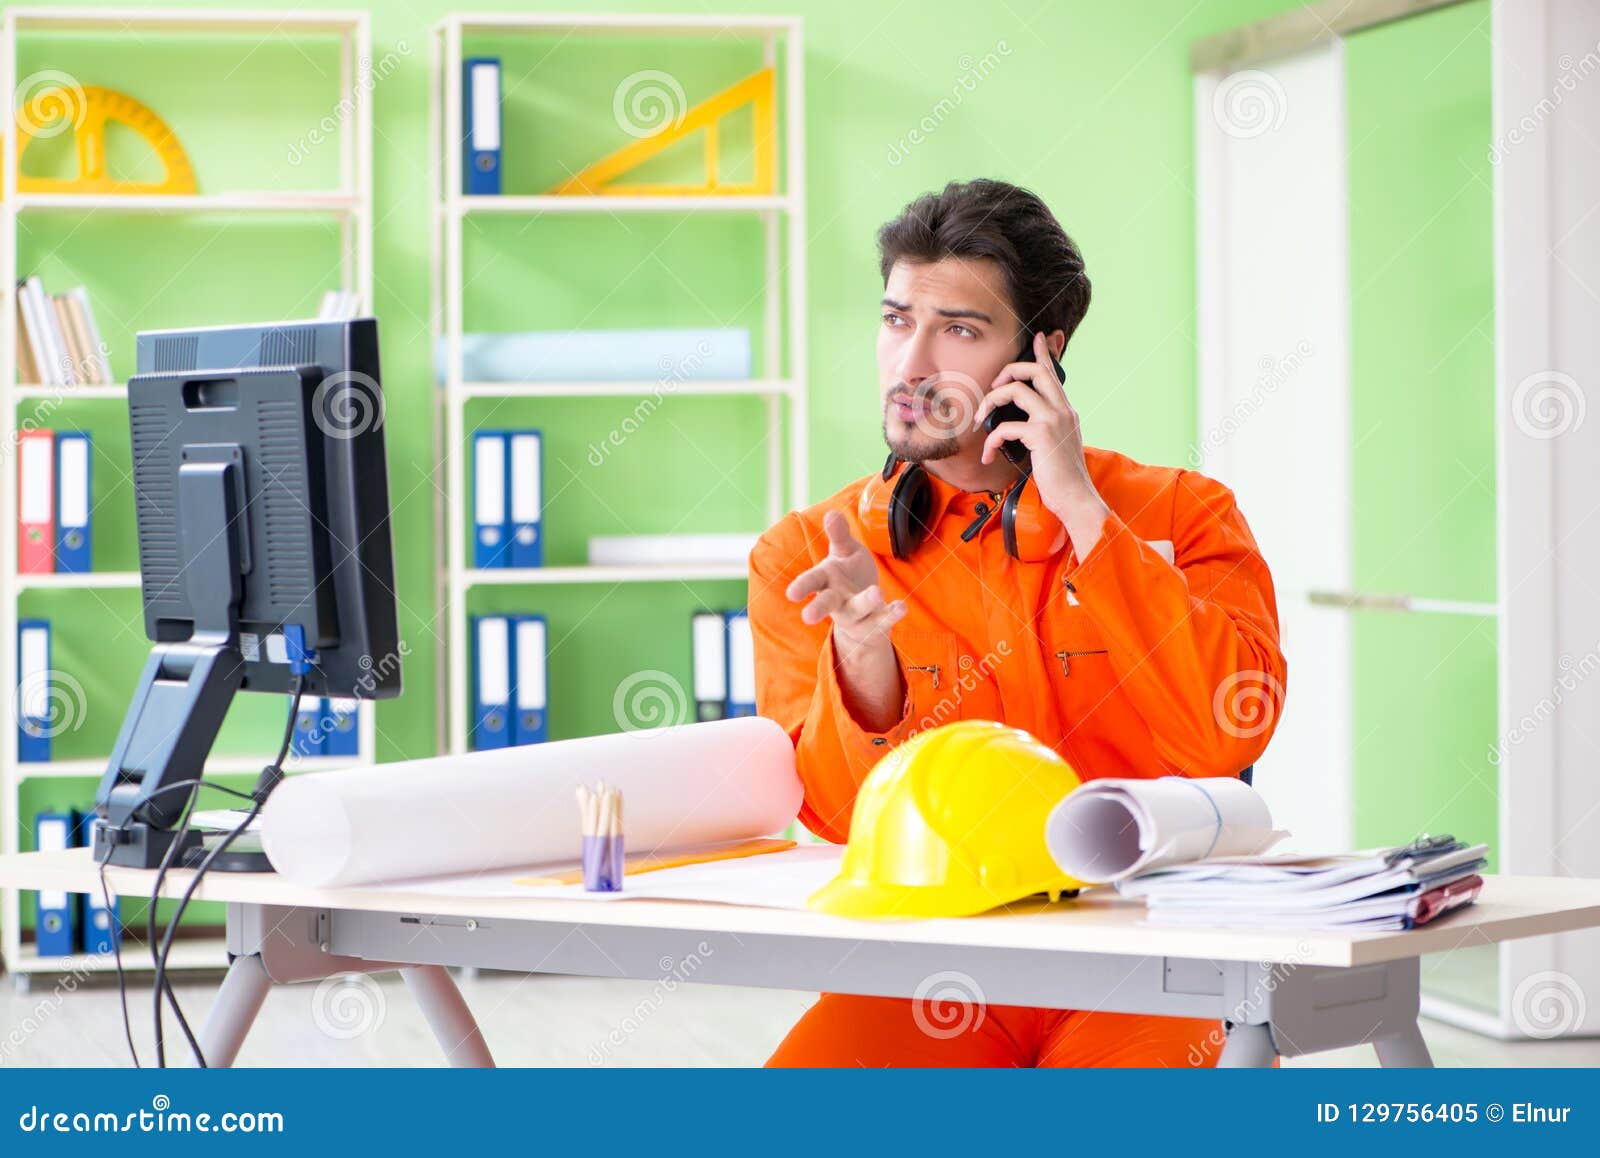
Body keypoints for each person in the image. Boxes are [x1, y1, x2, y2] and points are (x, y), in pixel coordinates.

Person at [747, 178, 1287, 1067]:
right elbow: (842, 822)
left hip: (1149, 963)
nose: (910, 363)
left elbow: (1224, 736)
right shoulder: (809, 553)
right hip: (936, 972)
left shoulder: (1182, 513)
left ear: (1041, 352)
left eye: (958, 329)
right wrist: (861, 654)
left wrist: (1084, 515)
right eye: (895, 320)